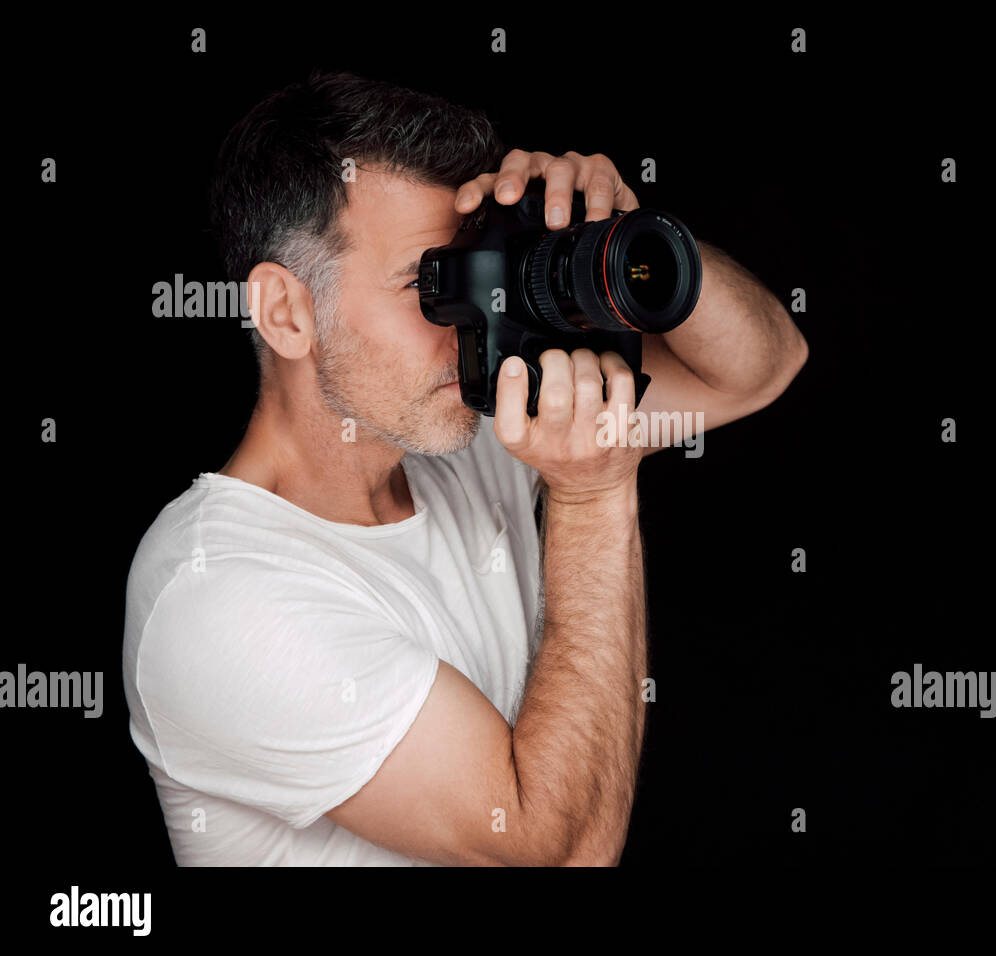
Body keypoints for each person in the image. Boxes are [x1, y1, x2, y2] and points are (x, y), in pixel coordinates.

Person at [122, 70, 808, 865]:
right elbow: (562, 853)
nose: (475, 321)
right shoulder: (216, 595)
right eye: (428, 283)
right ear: (284, 312)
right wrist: (593, 496)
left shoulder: (473, 431)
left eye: (482, 271)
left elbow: (762, 365)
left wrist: (620, 241)